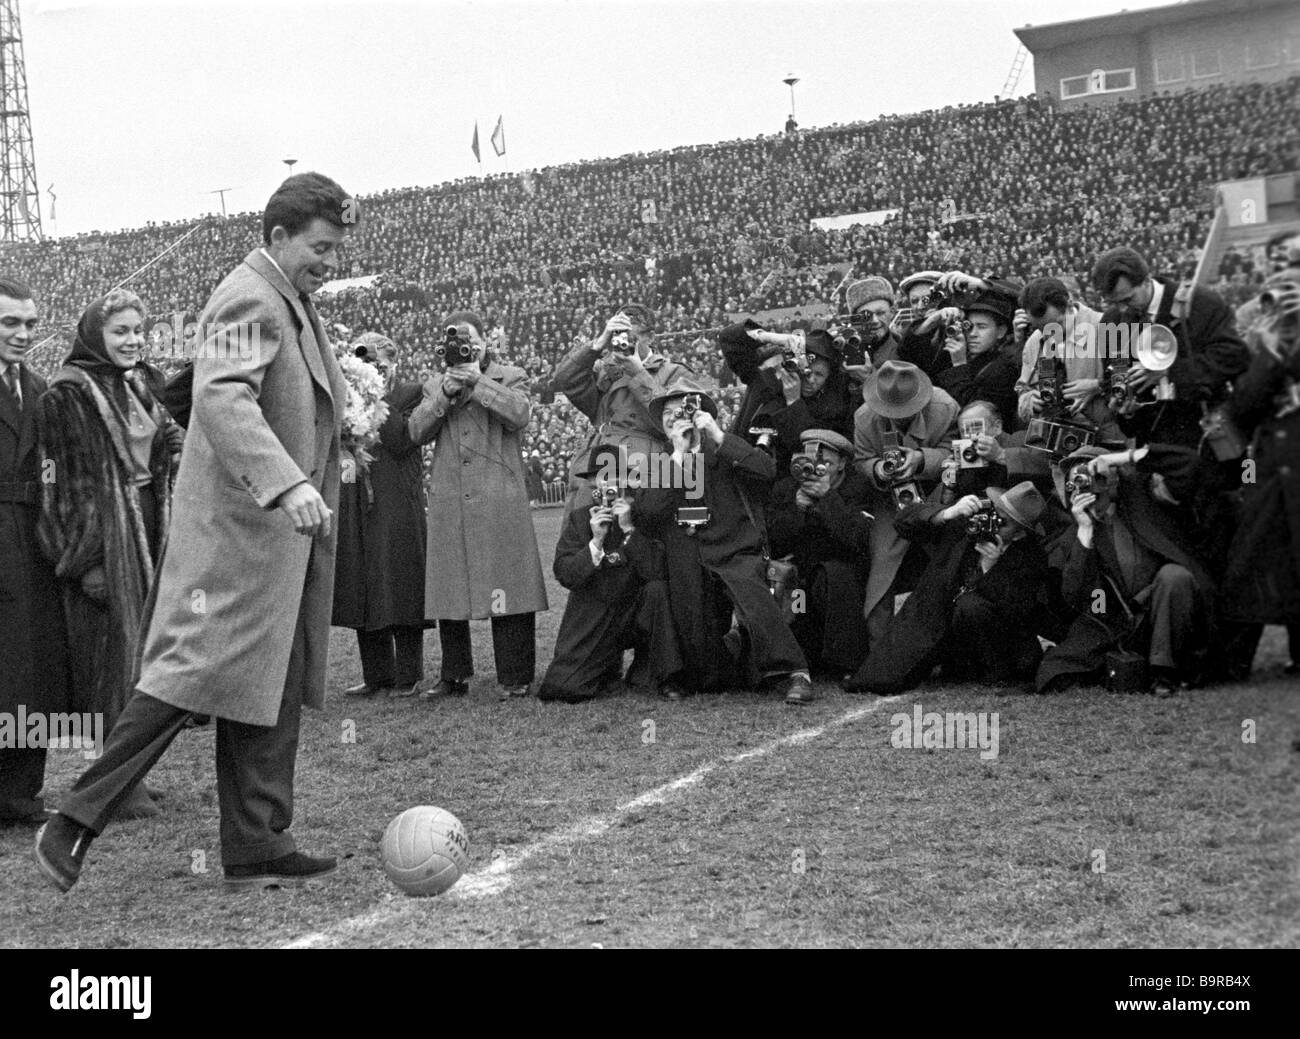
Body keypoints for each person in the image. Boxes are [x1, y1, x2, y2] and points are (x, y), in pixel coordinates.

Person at [36, 172, 356, 892]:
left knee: (267, 683)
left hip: (272, 537)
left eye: (336, 248)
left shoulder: (289, 298)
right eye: (321, 246)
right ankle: (74, 820)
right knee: (185, 679)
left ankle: (258, 839)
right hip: (239, 536)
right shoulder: (248, 295)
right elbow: (221, 395)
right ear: (277, 236)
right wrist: (287, 479)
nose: (330, 261)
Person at [36, 290, 183, 819]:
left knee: (144, 660)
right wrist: (84, 559)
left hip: (147, 524)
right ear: (96, 335)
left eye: (139, 331)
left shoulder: (140, 384)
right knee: (108, 664)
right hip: (106, 540)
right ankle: (111, 785)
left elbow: (167, 442)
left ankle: (132, 773)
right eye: (121, 332)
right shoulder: (66, 395)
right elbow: (62, 486)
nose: (133, 341)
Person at [634, 382, 815, 704]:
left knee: (753, 595)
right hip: (687, 558)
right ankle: (724, 665)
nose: (675, 418)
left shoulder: (724, 449)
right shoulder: (660, 462)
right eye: (667, 413)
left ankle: (795, 671)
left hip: (734, 548)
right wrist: (677, 456)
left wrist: (718, 436)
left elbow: (766, 472)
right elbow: (646, 514)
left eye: (683, 410)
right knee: (702, 656)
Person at [408, 311, 548, 700]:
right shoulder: (435, 384)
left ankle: (515, 675)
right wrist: (444, 395)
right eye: (453, 341)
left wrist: (479, 383)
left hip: (499, 494)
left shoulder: (509, 375)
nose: (461, 348)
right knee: (449, 587)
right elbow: (415, 432)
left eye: (468, 340)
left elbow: (520, 415)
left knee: (509, 585)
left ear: (485, 342)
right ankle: (453, 675)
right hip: (451, 495)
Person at [1036, 445, 1216, 696]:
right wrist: (1085, 531)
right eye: (1077, 480)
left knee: (1175, 576)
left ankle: (1164, 673)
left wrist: (1122, 458)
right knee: (1056, 670)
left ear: (1116, 478)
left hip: (1161, 617)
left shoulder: (1146, 505)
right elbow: (1075, 596)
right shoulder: (1073, 534)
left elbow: (1190, 464)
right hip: (1114, 627)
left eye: (1095, 475)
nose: (1088, 486)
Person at [846, 481, 1052, 695]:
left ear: (1019, 534)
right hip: (946, 632)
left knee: (970, 606)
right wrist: (946, 513)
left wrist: (988, 569)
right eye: (993, 513)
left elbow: (1016, 611)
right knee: (883, 677)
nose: (992, 522)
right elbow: (902, 522)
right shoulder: (965, 524)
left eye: (1003, 522)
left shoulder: (1031, 555)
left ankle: (992, 674)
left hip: (1000, 648)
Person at [0, 276, 70, 827]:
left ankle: (23, 793)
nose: (22, 334)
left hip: (33, 538)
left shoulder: (40, 386)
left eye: (29, 324)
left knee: (33, 665)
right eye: (9, 323)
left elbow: (50, 465)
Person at [537, 444, 684, 703]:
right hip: (596, 614)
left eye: (616, 476)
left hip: (635, 611)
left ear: (626, 480)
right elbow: (565, 574)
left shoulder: (643, 517)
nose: (610, 485)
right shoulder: (581, 519)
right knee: (563, 689)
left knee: (657, 591)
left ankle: (666, 676)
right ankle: (606, 668)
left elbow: (655, 572)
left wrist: (628, 529)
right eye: (603, 477)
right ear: (593, 483)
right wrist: (595, 542)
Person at [332, 332, 430, 698]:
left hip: (398, 500)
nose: (372, 368)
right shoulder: (349, 397)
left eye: (379, 362)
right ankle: (377, 675)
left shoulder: (410, 393)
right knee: (365, 583)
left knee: (402, 581)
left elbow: (401, 439)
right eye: (365, 362)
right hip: (357, 499)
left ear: (394, 364)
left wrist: (376, 396)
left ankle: (408, 675)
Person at [1219, 276, 1300, 675]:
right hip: (1276, 466)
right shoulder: (1267, 344)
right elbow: (1243, 408)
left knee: (1271, 554)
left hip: (1284, 464)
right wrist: (1265, 348)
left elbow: (1247, 406)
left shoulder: (1282, 347)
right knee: (1276, 556)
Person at [1091, 246, 1249, 450]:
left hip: (1208, 434)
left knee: (1247, 477)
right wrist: (1124, 405)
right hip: (1155, 444)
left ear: (1147, 280)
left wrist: (1168, 372)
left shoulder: (1199, 302)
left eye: (1127, 300)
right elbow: (1112, 377)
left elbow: (1235, 356)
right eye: (1114, 303)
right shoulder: (1112, 322)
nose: (1122, 309)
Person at [853, 360, 959, 647]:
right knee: (882, 565)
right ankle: (879, 647)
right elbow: (861, 460)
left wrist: (922, 459)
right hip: (889, 499)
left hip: (939, 492)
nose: (897, 418)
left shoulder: (944, 407)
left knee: (948, 559)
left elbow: (956, 453)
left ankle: (951, 645)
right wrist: (878, 469)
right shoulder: (864, 418)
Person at [551, 304, 690, 517]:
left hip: (642, 467)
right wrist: (598, 344)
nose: (623, 343)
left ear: (650, 337)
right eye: (617, 335)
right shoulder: (604, 369)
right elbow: (564, 380)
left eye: (631, 337)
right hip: (596, 464)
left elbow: (677, 421)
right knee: (583, 537)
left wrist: (639, 372)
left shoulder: (673, 372)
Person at [765, 429, 873, 677]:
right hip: (799, 576)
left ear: (842, 464)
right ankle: (799, 660)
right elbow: (773, 539)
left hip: (840, 574)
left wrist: (827, 499)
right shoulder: (786, 488)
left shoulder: (857, 487)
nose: (816, 468)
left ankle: (847, 663)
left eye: (827, 462)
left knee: (833, 576)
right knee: (798, 601)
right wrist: (797, 509)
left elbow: (857, 538)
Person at [934, 291, 1022, 429]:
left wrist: (959, 364)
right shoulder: (968, 356)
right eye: (968, 326)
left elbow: (976, 414)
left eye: (982, 327)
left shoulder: (1006, 367)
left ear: (1001, 331)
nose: (973, 334)